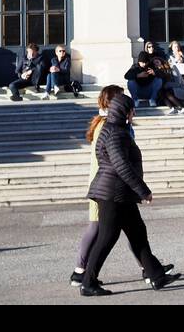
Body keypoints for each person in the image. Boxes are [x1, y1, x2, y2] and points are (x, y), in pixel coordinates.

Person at [72, 85, 173, 288]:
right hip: (112, 192)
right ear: (125, 111)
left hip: (120, 192)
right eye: (132, 109)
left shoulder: (115, 129)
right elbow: (121, 165)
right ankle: (87, 282)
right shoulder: (115, 132)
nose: (133, 113)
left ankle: (156, 275)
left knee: (137, 232)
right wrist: (143, 190)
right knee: (107, 237)